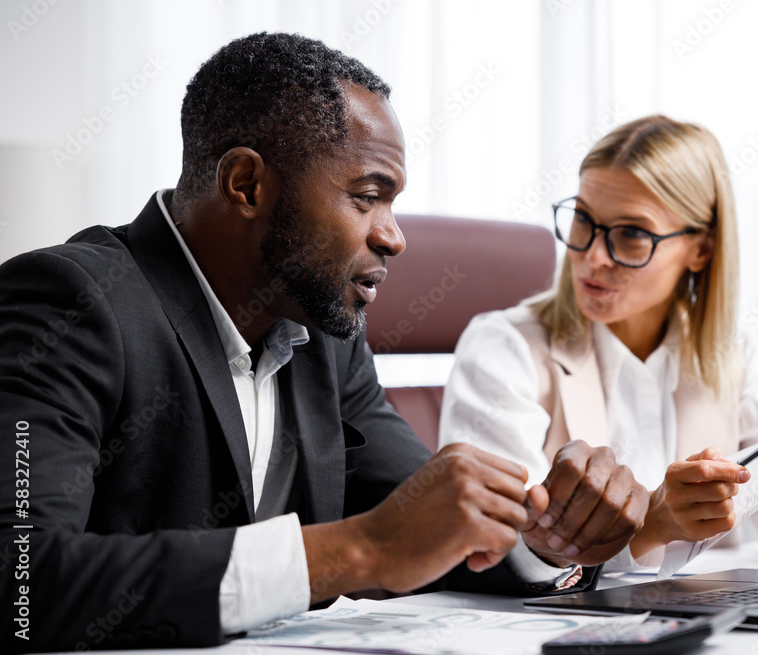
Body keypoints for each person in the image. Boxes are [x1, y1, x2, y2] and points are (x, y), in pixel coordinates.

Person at [0, 33, 649, 653]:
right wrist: (355, 550)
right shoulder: (70, 301)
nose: (394, 236)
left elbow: (421, 520)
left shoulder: (326, 334)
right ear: (246, 185)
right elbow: (20, 581)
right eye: (368, 197)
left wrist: (550, 534)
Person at [440, 115, 758, 570]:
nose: (593, 256)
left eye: (633, 234)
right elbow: (501, 545)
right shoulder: (505, 346)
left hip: (710, 613)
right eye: (583, 219)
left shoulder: (735, 356)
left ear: (701, 249)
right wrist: (653, 525)